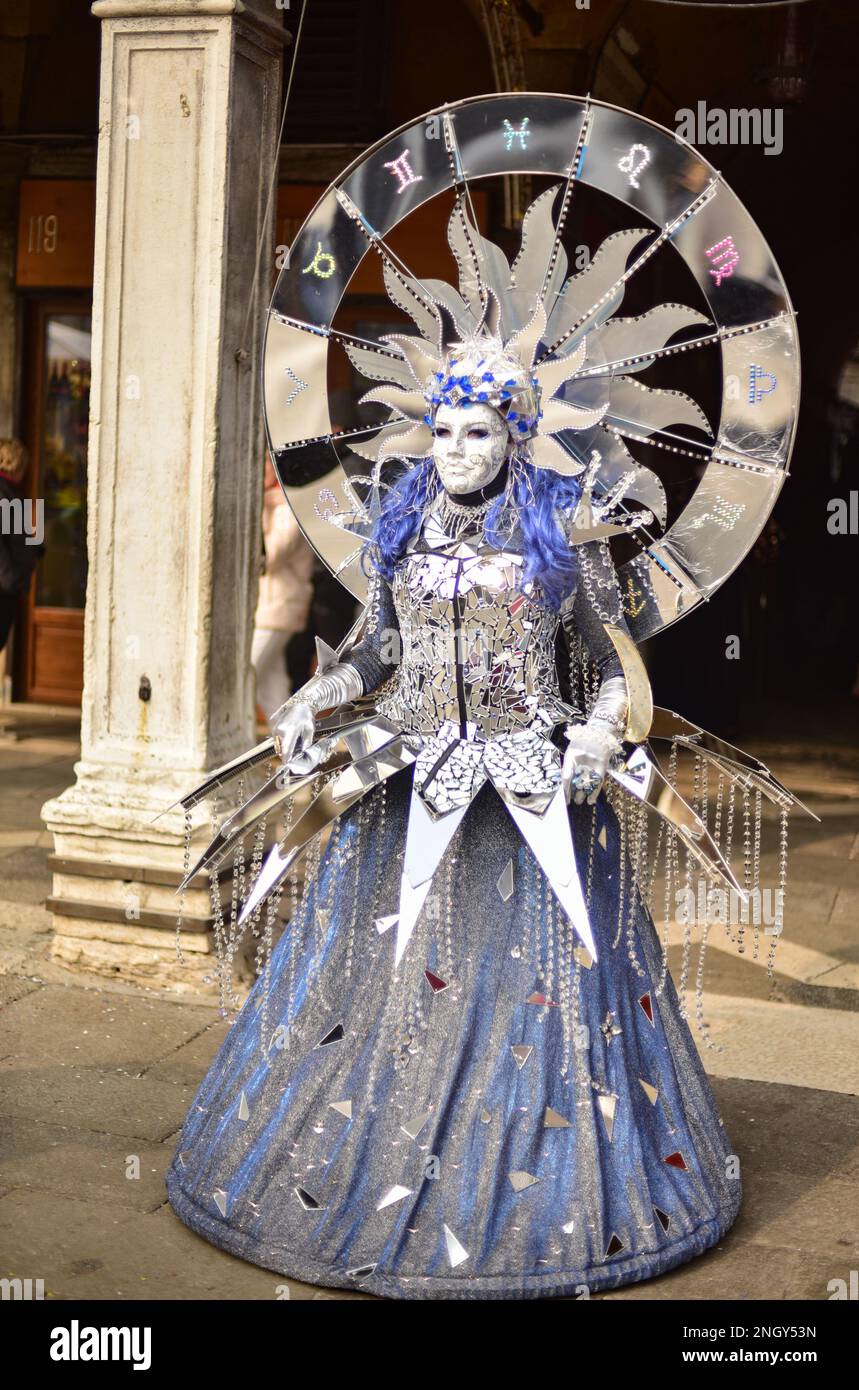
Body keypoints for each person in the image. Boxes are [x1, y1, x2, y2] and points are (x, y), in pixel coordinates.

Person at [165, 188, 798, 1299]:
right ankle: (355, 1180)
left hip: (536, 791)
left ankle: (539, 1200)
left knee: (541, 1018)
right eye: (442, 429)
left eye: (479, 430)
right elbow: (370, 656)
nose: (455, 449)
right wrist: (321, 700)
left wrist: (602, 736)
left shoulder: (569, 546)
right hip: (404, 789)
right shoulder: (401, 537)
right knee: (384, 995)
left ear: (517, 434)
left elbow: (611, 675)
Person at [251, 464, 314, 717]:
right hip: (264, 607)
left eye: (264, 466)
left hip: (281, 607)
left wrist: (259, 510)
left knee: (245, 673)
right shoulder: (268, 504)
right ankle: (291, 741)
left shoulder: (288, 508)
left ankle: (242, 744)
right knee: (271, 684)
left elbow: (269, 556)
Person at [0, 439, 38, 656]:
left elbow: (30, 539)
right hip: (6, 586)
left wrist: (37, 546)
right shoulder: (5, 493)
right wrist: (10, 579)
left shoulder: (17, 494)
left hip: (12, 587)